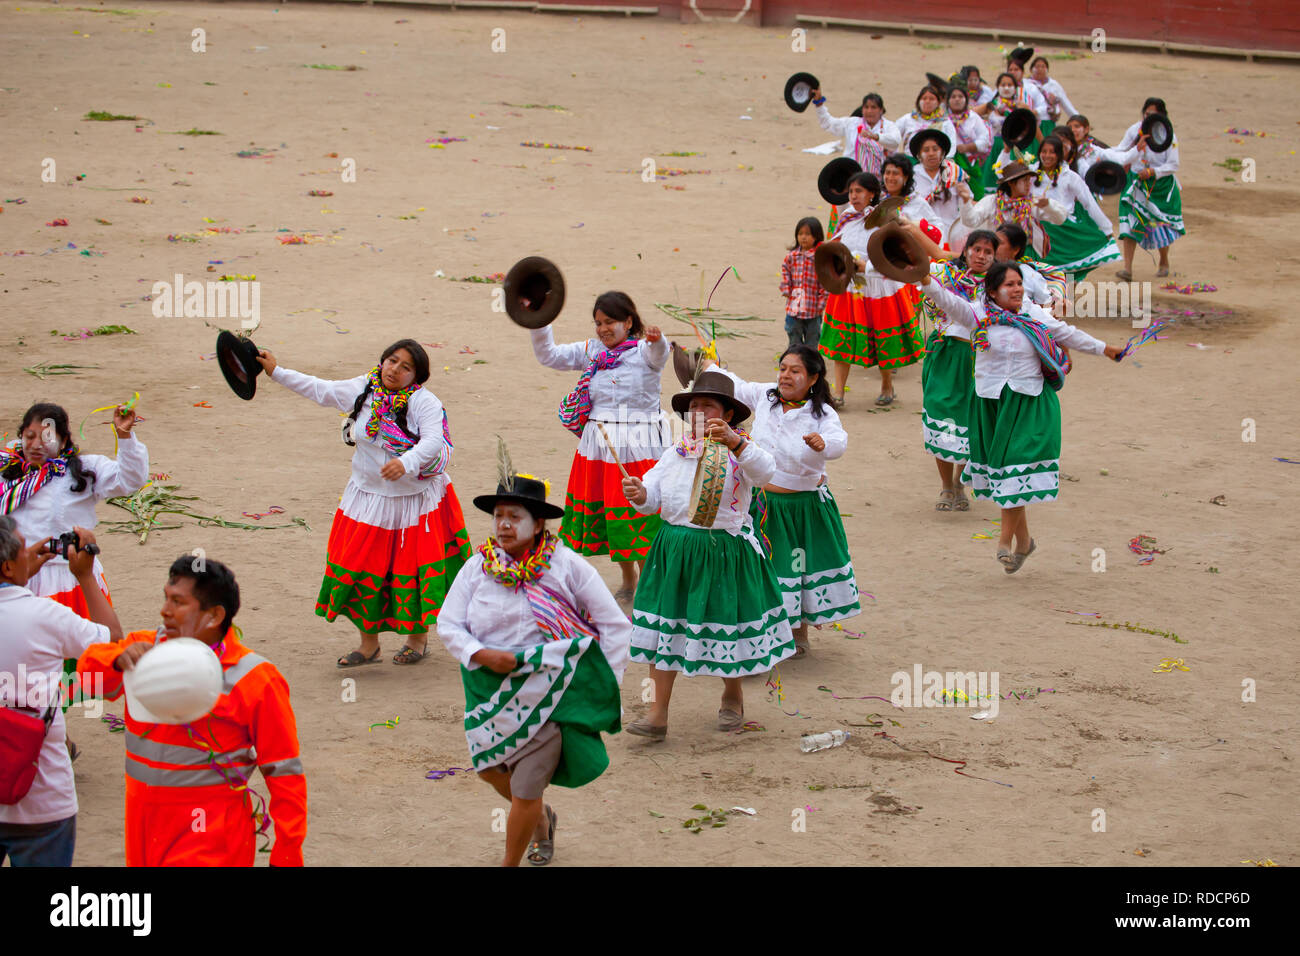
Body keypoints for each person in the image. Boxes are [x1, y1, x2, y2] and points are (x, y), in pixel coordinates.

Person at [436, 468, 630, 866]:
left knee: (525, 787)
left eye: (515, 517)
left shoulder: (568, 566)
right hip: (487, 688)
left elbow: (614, 626)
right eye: (499, 516)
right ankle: (542, 821)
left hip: (551, 690)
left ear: (538, 523)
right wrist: (483, 655)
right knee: (490, 771)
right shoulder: (477, 568)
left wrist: (600, 686)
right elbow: (448, 624)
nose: (504, 525)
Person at [77, 556, 306, 865]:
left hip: (210, 836)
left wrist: (287, 854)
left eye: (178, 602)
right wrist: (116, 660)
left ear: (214, 616)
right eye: (165, 598)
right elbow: (88, 680)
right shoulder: (142, 651)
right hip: (144, 829)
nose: (164, 610)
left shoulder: (255, 678)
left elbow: (284, 774)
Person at [256, 340, 468, 666]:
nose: (394, 370)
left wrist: (406, 463)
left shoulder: (425, 403)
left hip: (413, 503)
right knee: (359, 568)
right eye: (391, 361)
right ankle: (369, 645)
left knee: (408, 572)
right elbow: (321, 390)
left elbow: (433, 443)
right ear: (382, 361)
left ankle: (418, 638)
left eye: (405, 367)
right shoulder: (364, 389)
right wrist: (276, 372)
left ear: (417, 377)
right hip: (367, 500)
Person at [620, 371, 794, 739]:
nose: (698, 412)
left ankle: (732, 695)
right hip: (674, 550)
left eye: (707, 406)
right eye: (693, 406)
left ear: (728, 414)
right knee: (665, 628)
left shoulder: (742, 452)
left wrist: (735, 444)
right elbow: (655, 495)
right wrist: (639, 494)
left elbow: (765, 473)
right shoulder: (675, 453)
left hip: (723, 552)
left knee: (724, 625)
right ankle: (657, 713)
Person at [919, 261, 1124, 572]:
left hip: (1030, 404)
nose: (1017, 290)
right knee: (1007, 476)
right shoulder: (977, 314)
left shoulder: (1034, 314)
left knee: (1014, 472)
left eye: (1019, 284)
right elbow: (948, 301)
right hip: (992, 405)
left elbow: (1067, 333)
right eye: (1010, 285)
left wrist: (1104, 349)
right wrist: (924, 279)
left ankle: (1004, 541)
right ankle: (1024, 542)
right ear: (992, 291)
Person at [3, 401, 145, 755]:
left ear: (65, 440)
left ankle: (50, 731)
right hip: (21, 577)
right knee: (26, 665)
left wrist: (125, 436)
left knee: (66, 665)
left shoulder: (82, 472)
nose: (37, 444)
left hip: (71, 579)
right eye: (30, 435)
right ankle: (48, 733)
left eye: (47, 436)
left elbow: (131, 480)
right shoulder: (7, 473)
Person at [701, 347, 859, 657]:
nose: (786, 375)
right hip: (760, 507)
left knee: (797, 566)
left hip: (800, 513)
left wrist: (823, 443)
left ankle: (799, 632)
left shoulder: (822, 414)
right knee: (763, 567)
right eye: (783, 368)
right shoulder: (766, 396)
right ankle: (761, 633)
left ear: (813, 378)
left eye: (795, 371)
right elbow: (735, 384)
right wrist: (711, 365)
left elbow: (839, 441)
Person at [530, 292, 669, 611]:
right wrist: (539, 319)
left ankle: (648, 587)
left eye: (610, 322)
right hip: (599, 448)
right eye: (598, 323)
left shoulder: (645, 352)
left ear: (629, 322)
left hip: (639, 445)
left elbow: (662, 354)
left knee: (640, 517)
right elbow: (549, 356)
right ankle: (628, 579)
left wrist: (658, 339)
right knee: (611, 515)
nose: (603, 329)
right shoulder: (591, 351)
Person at [0, 521, 122, 866]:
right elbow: (113, 642)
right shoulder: (45, 617)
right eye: (22, 549)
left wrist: (21, 571)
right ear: (7, 566)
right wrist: (85, 575)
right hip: (42, 801)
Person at [818, 171, 927, 408]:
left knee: (881, 340)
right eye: (851, 192)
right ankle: (839, 393)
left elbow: (892, 258)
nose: (854, 196)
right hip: (850, 288)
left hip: (879, 287)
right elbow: (838, 242)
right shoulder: (846, 217)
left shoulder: (886, 220)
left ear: (872, 194)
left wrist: (865, 266)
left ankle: (887, 384)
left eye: (859, 191)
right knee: (841, 340)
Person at [918, 230, 998, 512]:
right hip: (944, 355)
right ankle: (946, 486)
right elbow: (906, 267)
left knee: (968, 422)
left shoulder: (998, 285)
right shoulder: (943, 273)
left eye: (988, 252)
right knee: (941, 414)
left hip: (978, 360)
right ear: (965, 251)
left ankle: (960, 483)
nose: (981, 256)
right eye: (976, 249)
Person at [809, 88, 900, 232]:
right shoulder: (852, 123)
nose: (869, 111)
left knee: (877, 224)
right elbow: (828, 124)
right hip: (852, 184)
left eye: (874, 107)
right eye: (866, 107)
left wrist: (875, 137)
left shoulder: (888, 127)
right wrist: (819, 103)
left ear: (881, 110)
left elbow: (895, 141)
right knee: (848, 223)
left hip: (878, 185)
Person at [1032, 134, 1120, 280]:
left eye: (1052, 152)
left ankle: (1067, 301)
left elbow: (1088, 202)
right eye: (1044, 151)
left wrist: (1107, 229)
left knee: (1068, 274)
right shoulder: (1030, 172)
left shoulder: (1069, 176)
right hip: (1038, 231)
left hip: (1064, 231)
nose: (1047, 156)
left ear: (1059, 154)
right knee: (1038, 274)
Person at [1116, 97, 1183, 280]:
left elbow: (1173, 164)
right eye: (1146, 114)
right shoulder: (1134, 130)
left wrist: (1154, 171)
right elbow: (1122, 150)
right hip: (1135, 183)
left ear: (1162, 115)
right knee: (1130, 223)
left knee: (1159, 225)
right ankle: (1127, 268)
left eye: (1153, 114)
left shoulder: (1169, 135)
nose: (1149, 117)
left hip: (1159, 185)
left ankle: (1163, 260)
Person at [958, 161, 1067, 261]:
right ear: (1011, 183)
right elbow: (971, 221)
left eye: (1029, 180)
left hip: (1027, 253)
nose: (1029, 184)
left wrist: (1048, 205)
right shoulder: (992, 202)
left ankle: (1071, 282)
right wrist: (965, 201)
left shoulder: (1032, 203)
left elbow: (1060, 219)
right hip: (998, 254)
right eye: (1025, 180)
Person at [981, 72, 1035, 192]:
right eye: (1003, 84)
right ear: (997, 86)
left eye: (1009, 84)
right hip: (994, 146)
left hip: (1013, 147)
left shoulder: (1020, 105)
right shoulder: (992, 105)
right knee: (991, 181)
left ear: (1015, 87)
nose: (1006, 88)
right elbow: (971, 114)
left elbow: (1033, 124)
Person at [780, 217, 829, 349]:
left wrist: (822, 303)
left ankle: (809, 362)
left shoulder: (820, 258)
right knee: (793, 333)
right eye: (800, 234)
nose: (803, 237)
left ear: (817, 236)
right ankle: (795, 357)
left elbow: (825, 282)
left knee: (812, 337)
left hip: (813, 309)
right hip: (794, 307)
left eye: (808, 234)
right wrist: (786, 287)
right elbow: (786, 271)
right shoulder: (792, 256)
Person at [911, 129, 967, 240]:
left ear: (942, 152)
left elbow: (967, 201)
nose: (931, 153)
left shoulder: (955, 173)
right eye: (926, 150)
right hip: (921, 235)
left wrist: (964, 196)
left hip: (951, 234)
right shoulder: (911, 176)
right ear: (919, 155)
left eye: (935, 149)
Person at [947, 84, 992, 200]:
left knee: (976, 197)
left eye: (960, 96)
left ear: (966, 100)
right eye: (953, 97)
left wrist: (967, 147)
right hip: (949, 165)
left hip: (970, 164)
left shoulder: (973, 117)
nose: (957, 99)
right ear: (948, 100)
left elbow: (985, 139)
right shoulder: (943, 119)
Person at [896, 86, 958, 158]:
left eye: (932, 99)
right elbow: (893, 137)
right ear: (918, 101)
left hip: (937, 162)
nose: (927, 101)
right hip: (911, 162)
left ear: (938, 103)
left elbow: (952, 145)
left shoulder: (945, 122)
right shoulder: (908, 119)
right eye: (924, 98)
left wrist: (944, 160)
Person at [1028, 57, 1077, 128]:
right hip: (1032, 122)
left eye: (1043, 67)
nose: (1040, 69)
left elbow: (1066, 104)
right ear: (1031, 69)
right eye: (1037, 66)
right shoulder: (1026, 84)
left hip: (1049, 123)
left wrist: (1078, 119)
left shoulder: (1054, 85)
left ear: (1047, 70)